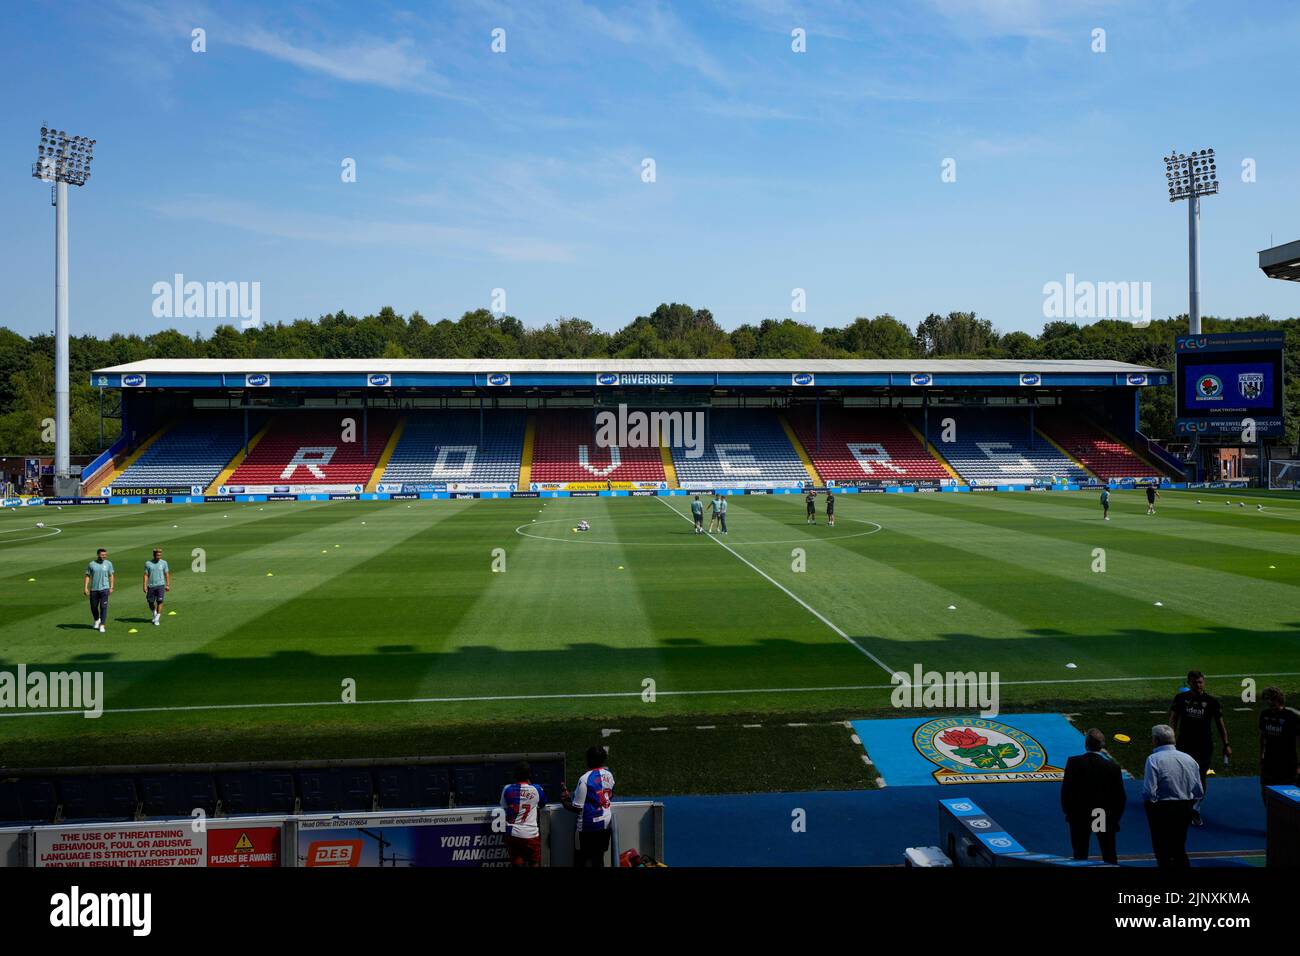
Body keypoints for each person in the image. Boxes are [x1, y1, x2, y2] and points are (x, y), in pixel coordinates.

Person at [1169, 671, 1230, 826]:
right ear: (1189, 683)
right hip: (1184, 743)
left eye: (1201, 682)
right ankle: (1183, 805)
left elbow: (1220, 725)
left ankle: (1195, 808)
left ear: (1204, 682)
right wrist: (1170, 739)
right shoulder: (1181, 699)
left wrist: (1226, 744)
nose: (1199, 685)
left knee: (1201, 775)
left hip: (1204, 744)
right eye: (1195, 682)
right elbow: (1173, 719)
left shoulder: (1212, 702)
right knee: (1182, 775)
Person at [1060, 728, 1126, 863]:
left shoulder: (1074, 763)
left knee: (1080, 853)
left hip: (1079, 814)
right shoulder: (1112, 767)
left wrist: (1069, 813)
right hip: (1101, 815)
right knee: (1108, 851)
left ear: (1086, 744)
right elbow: (1120, 797)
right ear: (1102, 746)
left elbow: (1066, 791)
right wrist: (1114, 819)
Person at [1142, 724, 1203, 868]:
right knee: (1178, 847)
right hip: (1185, 808)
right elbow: (1199, 791)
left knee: (1162, 849)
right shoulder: (1189, 759)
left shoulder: (1153, 759)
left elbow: (1148, 792)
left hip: (1162, 808)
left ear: (1156, 740)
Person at [562, 746, 616, 867]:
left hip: (587, 828)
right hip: (605, 825)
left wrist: (564, 802)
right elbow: (610, 795)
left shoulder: (585, 778)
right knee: (599, 859)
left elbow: (577, 807)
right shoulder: (609, 775)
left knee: (580, 860)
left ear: (589, 760)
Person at [499, 761, 547, 867]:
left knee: (517, 862)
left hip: (513, 833)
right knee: (534, 862)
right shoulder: (537, 789)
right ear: (530, 775)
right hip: (531, 833)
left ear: (515, 775)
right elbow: (542, 805)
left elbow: (504, 807)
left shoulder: (507, 789)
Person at [1259, 687, 1300, 800]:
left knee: (1287, 796)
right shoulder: (1265, 715)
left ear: (1277, 699)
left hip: (1287, 763)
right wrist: (1262, 754)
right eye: (1266, 699)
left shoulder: (1291, 717)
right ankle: (1271, 816)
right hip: (1269, 760)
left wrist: (1298, 765)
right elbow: (1262, 736)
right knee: (1265, 792)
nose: (1267, 702)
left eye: (1269, 699)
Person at [83, 548, 115, 634]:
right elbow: (87, 576)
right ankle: (97, 619)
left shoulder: (108, 564)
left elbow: (111, 575)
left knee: (103, 607)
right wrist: (85, 588)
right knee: (93, 607)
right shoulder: (91, 564)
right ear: (98, 554)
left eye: (105, 555)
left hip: (105, 589)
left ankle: (102, 625)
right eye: (102, 555)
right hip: (94, 589)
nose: (104, 556)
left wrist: (111, 587)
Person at [143, 548, 171, 626]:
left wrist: (168, 585)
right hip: (151, 586)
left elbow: (167, 574)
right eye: (157, 555)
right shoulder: (148, 563)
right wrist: (144, 586)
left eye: (160, 555)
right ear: (154, 555)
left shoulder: (164, 563)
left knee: (160, 601)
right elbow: (146, 575)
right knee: (150, 602)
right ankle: (154, 613)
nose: (159, 556)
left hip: (161, 585)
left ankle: (157, 618)